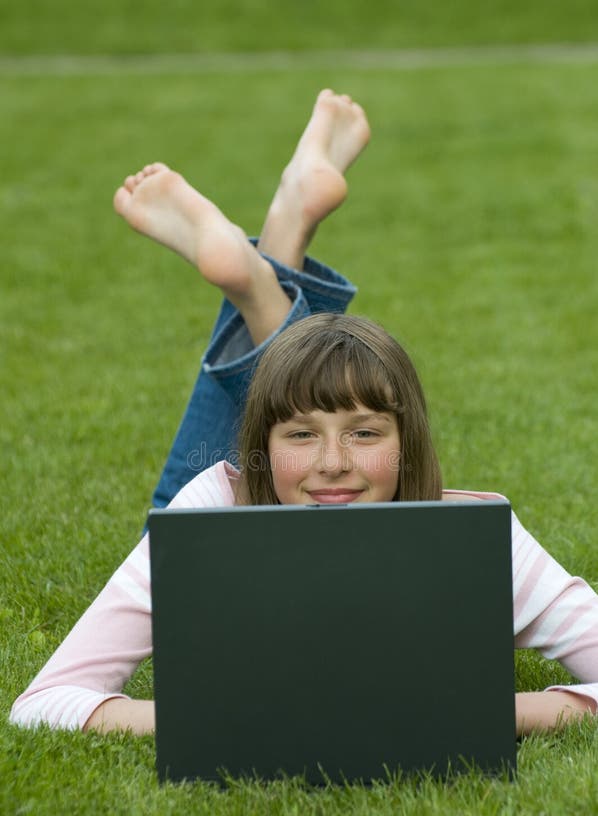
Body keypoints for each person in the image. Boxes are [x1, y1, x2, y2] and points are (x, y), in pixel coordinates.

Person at [10, 90, 598, 738]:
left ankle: (272, 263)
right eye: (300, 435)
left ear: (408, 442)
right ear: (258, 448)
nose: (334, 464)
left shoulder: (481, 540)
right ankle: (273, 255)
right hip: (232, 510)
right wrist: (226, 720)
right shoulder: (207, 515)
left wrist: (492, 710)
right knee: (219, 466)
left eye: (366, 432)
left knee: (299, 388)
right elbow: (41, 704)